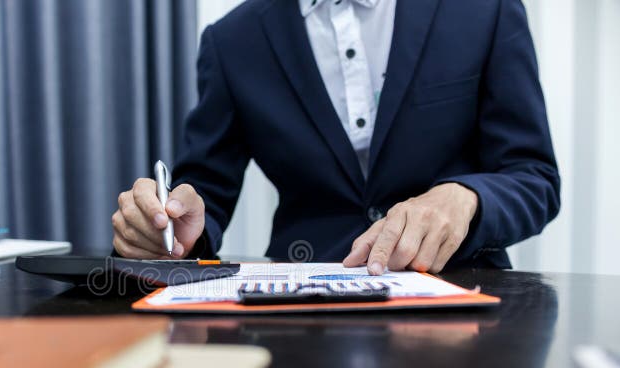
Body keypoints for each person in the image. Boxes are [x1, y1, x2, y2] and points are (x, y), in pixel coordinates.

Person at [111, 0, 560, 274]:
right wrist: (174, 232)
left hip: (460, 298)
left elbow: (534, 177)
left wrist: (465, 197)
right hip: (297, 315)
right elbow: (204, 194)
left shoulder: (487, 9)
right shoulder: (231, 41)